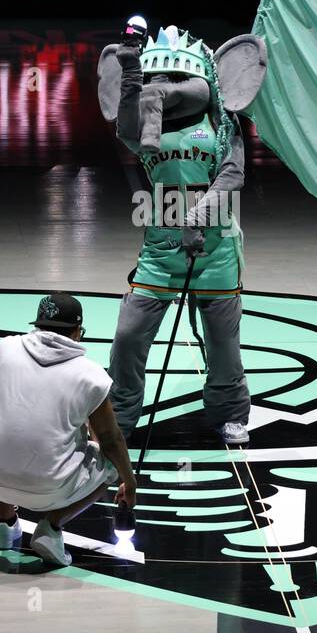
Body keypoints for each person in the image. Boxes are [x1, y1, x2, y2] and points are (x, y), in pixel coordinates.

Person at [100, 25, 264, 445]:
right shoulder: (142, 130)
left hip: (216, 248)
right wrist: (133, 70)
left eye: (175, 80)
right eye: (159, 81)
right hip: (160, 247)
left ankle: (230, 412)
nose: (165, 89)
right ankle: (119, 416)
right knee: (129, 335)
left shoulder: (222, 124)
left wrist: (198, 220)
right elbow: (127, 126)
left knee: (222, 343)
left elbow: (231, 177)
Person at [0, 293, 137, 567]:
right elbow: (110, 440)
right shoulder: (91, 375)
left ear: (38, 325)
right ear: (77, 332)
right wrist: (129, 481)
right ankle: (51, 527)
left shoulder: (5, 349)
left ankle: (3, 523)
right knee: (111, 464)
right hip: (48, 486)